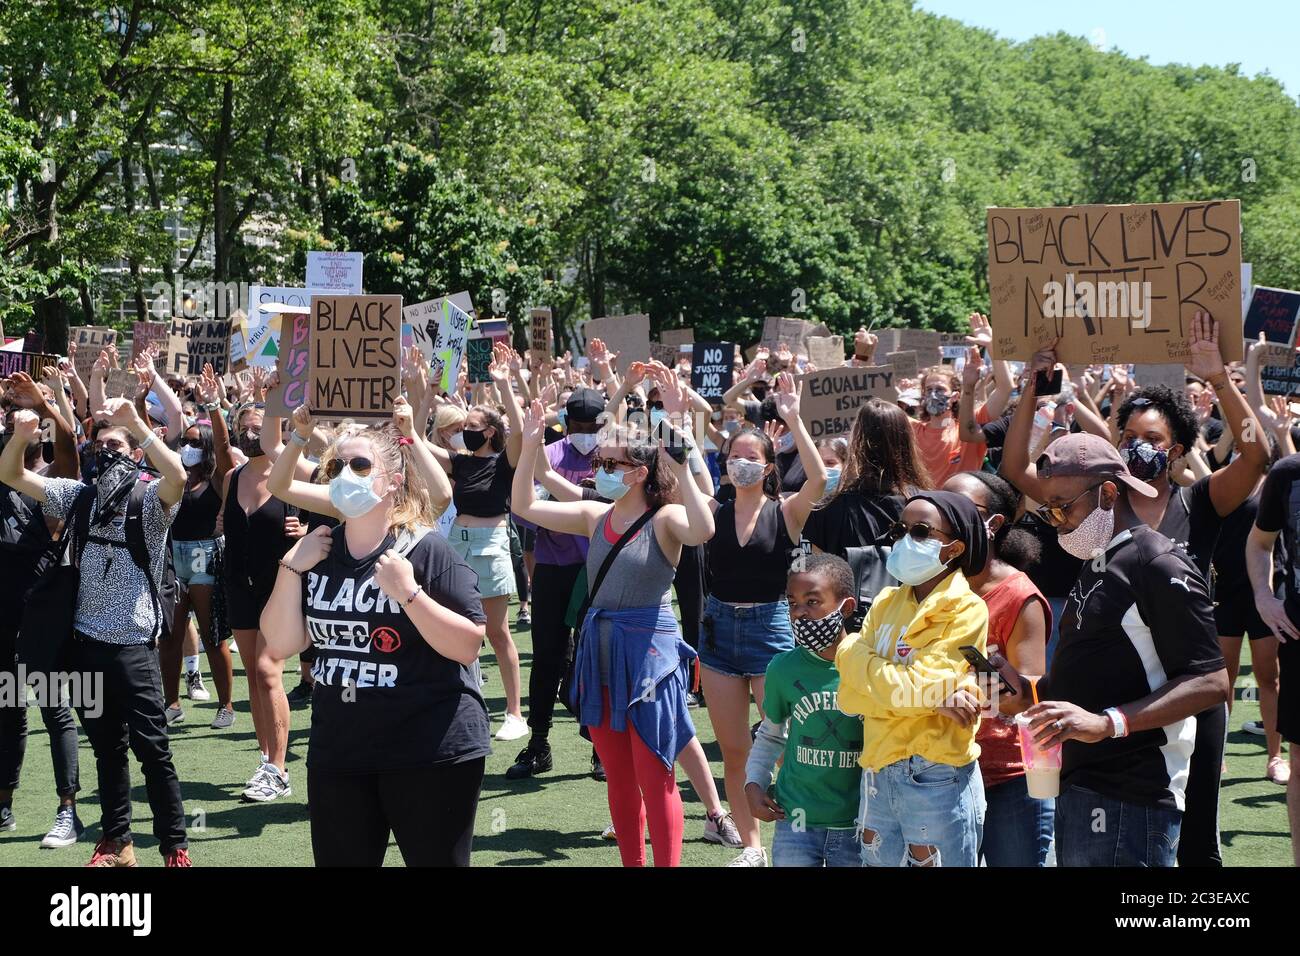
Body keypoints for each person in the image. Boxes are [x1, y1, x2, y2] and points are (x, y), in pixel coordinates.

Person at [1000, 416, 1231, 867]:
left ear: (1108, 493)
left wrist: (1109, 724)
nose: (1056, 521)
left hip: (1133, 790)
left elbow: (1211, 682)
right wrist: (1028, 691)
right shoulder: (1100, 559)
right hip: (1082, 778)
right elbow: (1101, 672)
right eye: (1048, 510)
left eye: (1063, 507)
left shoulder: (1156, 563)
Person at [260, 421, 489, 866]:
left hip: (430, 752)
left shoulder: (425, 549)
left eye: (361, 465)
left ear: (394, 479)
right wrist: (291, 566)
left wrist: (409, 594)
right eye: (337, 467)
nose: (346, 475)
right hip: (339, 751)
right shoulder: (318, 550)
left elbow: (468, 646)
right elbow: (283, 641)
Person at [511, 399, 714, 867]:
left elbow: (703, 529)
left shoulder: (666, 518)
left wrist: (682, 461)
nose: (596, 470)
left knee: (655, 774)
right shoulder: (593, 515)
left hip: (649, 659)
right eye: (599, 462)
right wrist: (529, 443)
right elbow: (523, 504)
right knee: (620, 779)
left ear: (638, 471)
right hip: (600, 653)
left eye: (607, 463)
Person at [0, 398, 192, 867]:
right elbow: (12, 476)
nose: (104, 450)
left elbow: (179, 478)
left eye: (115, 444)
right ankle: (117, 843)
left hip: (132, 648)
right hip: (85, 646)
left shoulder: (149, 500)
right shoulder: (79, 495)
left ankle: (174, 846)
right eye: (100, 442)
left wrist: (137, 426)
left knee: (154, 752)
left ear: (134, 454)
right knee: (108, 750)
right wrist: (20, 438)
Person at [702, 371, 826, 866]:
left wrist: (794, 416)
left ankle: (799, 834)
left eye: (752, 458)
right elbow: (678, 472)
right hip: (717, 633)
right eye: (734, 458)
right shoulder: (711, 509)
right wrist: (679, 415)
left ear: (769, 466)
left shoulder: (787, 511)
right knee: (734, 750)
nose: (742, 465)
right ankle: (752, 847)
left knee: (788, 741)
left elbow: (818, 480)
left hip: (771, 628)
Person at [836, 490, 990, 867]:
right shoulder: (887, 601)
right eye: (899, 529)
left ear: (954, 548)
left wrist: (854, 655)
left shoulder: (967, 609)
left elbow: (905, 689)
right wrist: (929, 697)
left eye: (920, 531)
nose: (905, 539)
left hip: (934, 774)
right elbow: (848, 699)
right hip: (876, 769)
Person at [942, 470, 1052, 866]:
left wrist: (980, 677)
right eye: (943, 506)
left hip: (1011, 777)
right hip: (941, 771)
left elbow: (1025, 703)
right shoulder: (925, 588)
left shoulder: (1020, 596)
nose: (946, 519)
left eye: (961, 510)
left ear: (993, 524)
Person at [0, 370, 84, 848]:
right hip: (3, 617)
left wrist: (47, 406)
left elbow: (71, 444)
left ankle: (67, 810)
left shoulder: (53, 484)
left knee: (56, 710)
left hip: (44, 616)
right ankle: (5, 802)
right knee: (8, 709)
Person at [427, 343, 527, 742]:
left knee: (497, 632)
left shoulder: (504, 464)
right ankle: (461, 700)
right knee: (453, 626)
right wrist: (425, 390)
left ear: (488, 431)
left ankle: (515, 713)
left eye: (470, 423)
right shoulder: (460, 461)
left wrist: (504, 386)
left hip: (491, 544)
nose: (463, 430)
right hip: (457, 545)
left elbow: (518, 431)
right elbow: (414, 439)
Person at [507, 387, 604, 779]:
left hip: (598, 571)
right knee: (546, 656)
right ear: (566, 424)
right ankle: (539, 743)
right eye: (577, 426)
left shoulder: (612, 456)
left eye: (591, 426)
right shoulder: (549, 453)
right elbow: (527, 515)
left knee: (595, 657)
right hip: (553, 566)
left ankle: (601, 747)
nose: (585, 432)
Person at [745, 553, 864, 867]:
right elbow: (771, 734)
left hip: (858, 822)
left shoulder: (871, 666)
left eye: (812, 602)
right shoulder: (783, 668)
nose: (800, 614)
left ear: (846, 607)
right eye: (792, 602)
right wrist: (754, 782)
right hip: (795, 818)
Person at [222, 404, 309, 802]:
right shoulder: (232, 477)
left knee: (267, 671)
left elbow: (332, 517)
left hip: (281, 585)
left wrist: (305, 528)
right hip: (239, 584)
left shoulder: (296, 471)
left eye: (257, 427)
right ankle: (265, 760)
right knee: (255, 680)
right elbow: (225, 527)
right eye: (243, 428)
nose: (250, 434)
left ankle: (279, 766)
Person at [160, 364, 236, 730]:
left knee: (211, 634)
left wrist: (214, 407)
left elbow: (223, 449)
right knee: (171, 634)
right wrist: (144, 399)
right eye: (183, 441)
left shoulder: (218, 479)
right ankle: (171, 702)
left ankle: (226, 705)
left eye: (194, 442)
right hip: (172, 557)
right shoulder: (173, 478)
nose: (187, 447)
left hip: (204, 553)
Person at [1246, 450, 1300, 865]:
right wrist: (1265, 597)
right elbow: (1260, 542)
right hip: (1299, 630)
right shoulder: (1289, 473)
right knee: (1299, 756)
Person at [804, 398, 928, 560]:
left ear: (857, 442)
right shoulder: (926, 506)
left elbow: (814, 569)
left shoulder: (827, 509)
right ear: (907, 441)